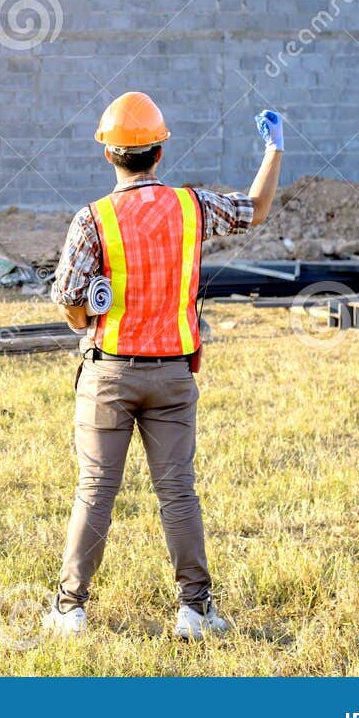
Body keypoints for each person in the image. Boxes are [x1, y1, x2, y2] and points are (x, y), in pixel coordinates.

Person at [43, 92, 284, 641]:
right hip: (173, 376)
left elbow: (70, 304)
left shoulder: (93, 219)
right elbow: (256, 210)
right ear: (159, 152)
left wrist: (90, 312)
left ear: (109, 155)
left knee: (95, 490)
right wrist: (273, 151)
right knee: (178, 492)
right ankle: (196, 612)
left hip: (108, 373)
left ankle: (69, 610)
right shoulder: (192, 206)